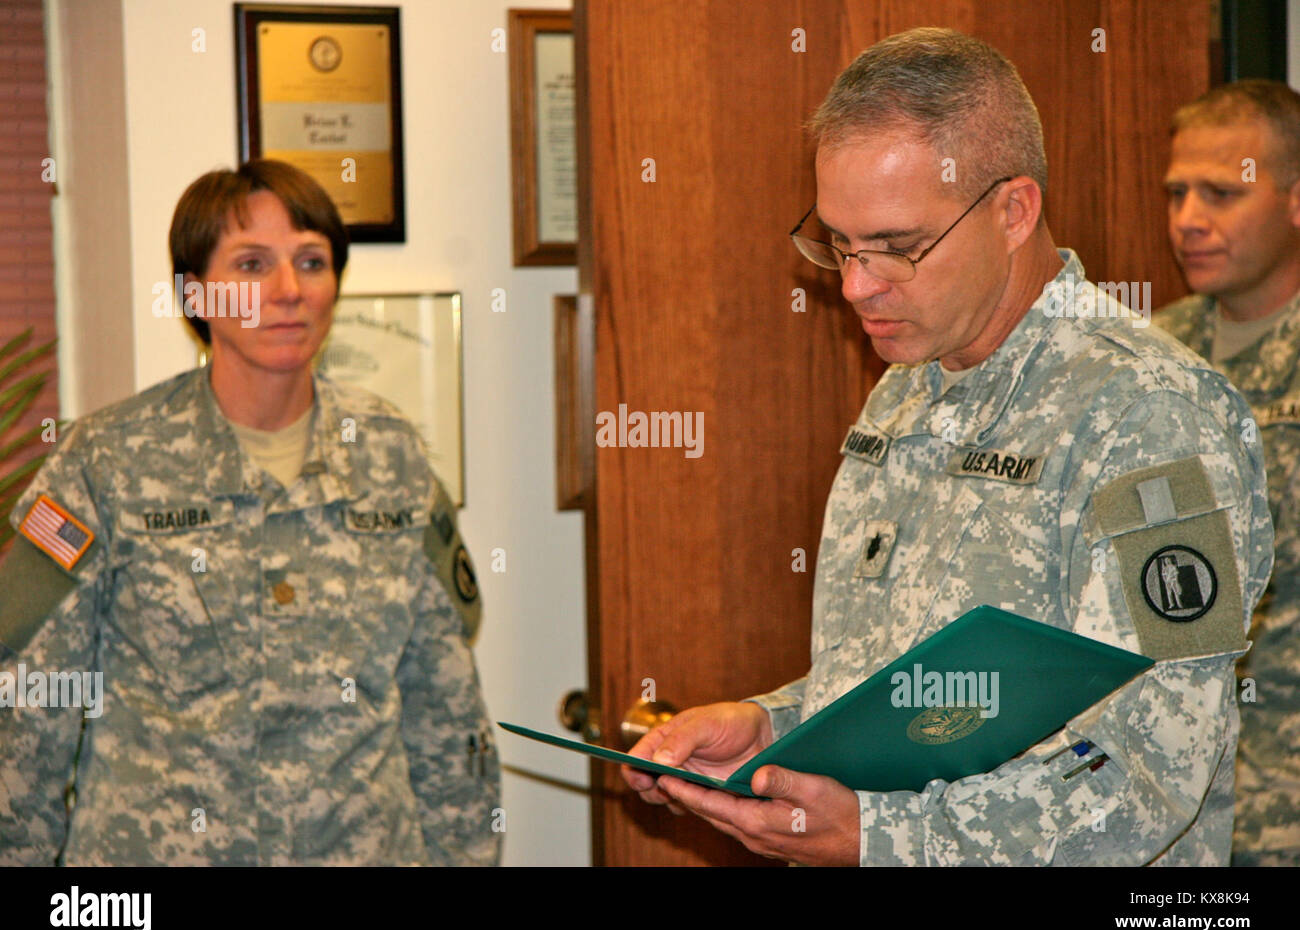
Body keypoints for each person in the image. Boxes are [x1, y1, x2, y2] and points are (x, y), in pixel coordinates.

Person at [623, 28, 1273, 866]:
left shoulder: (1151, 414)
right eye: (839, 244)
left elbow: (1145, 770)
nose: (857, 284)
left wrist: (880, 838)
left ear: (1013, 211)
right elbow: (913, 699)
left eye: (897, 247)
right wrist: (774, 727)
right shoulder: (911, 381)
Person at [0, 159, 501, 865]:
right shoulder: (106, 463)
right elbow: (29, 712)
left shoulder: (390, 456)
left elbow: (446, 709)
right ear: (193, 293)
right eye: (253, 265)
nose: (288, 290)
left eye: (311, 262)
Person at [1153, 79, 1300, 867]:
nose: (1187, 220)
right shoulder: (1148, 358)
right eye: (1177, 193)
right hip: (1166, 790)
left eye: (1222, 192)